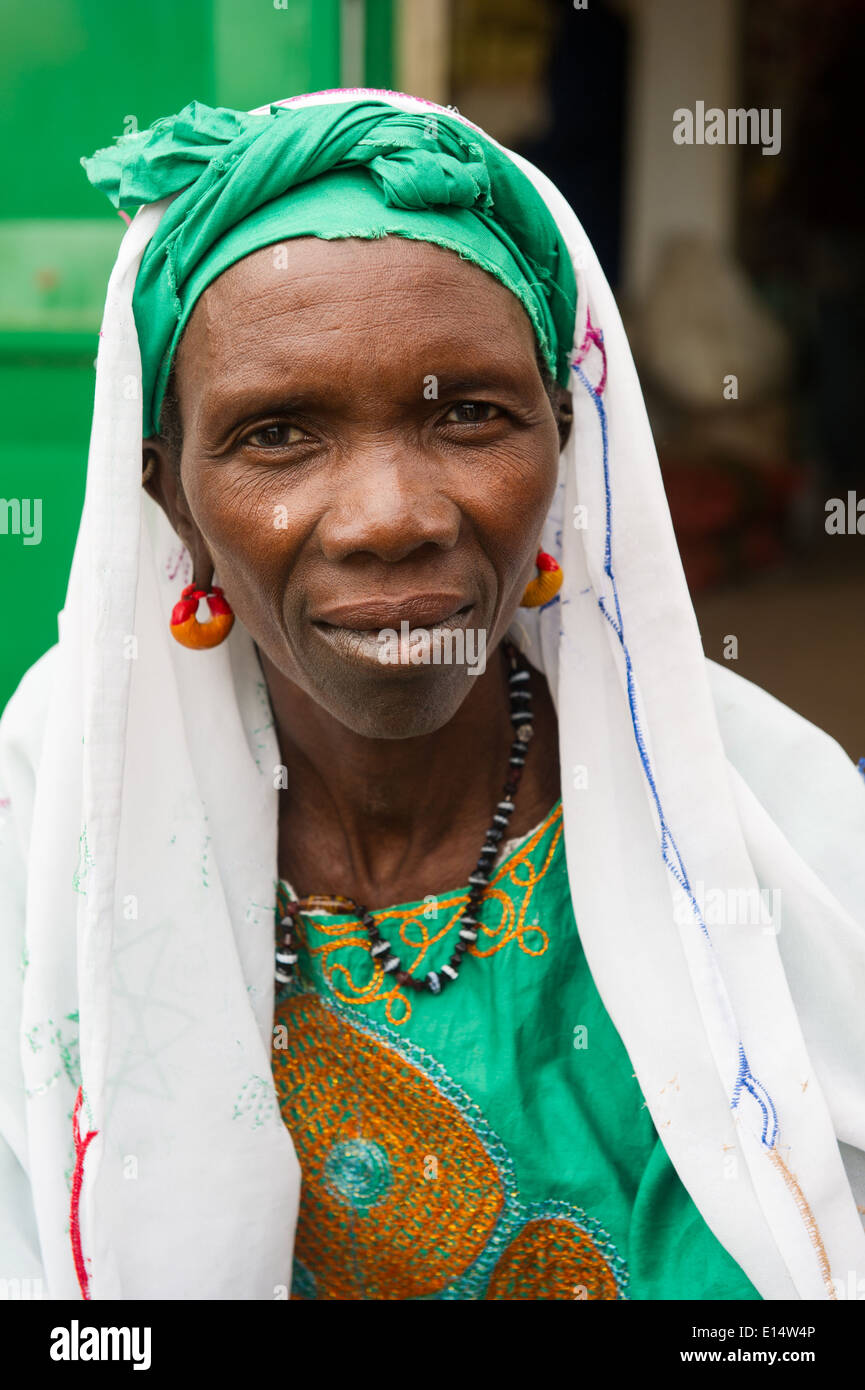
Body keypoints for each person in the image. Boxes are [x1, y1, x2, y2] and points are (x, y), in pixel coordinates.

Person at [0, 89, 863, 1302]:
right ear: (172, 502)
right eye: (279, 434)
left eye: (469, 414)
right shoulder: (47, 832)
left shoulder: (766, 819)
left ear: (566, 444)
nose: (391, 518)